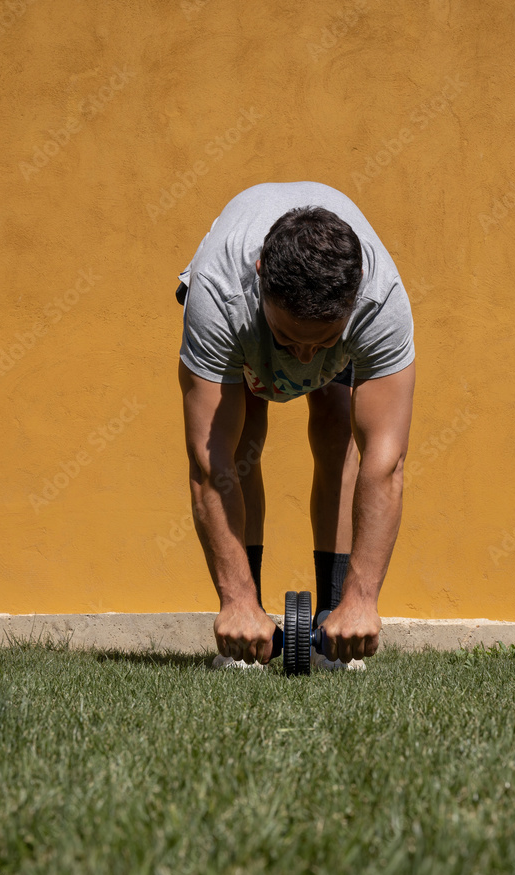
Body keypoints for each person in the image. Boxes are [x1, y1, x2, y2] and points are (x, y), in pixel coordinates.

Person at [177, 181, 415, 671]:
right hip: (244, 330)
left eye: (320, 341)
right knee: (243, 437)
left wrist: (363, 601)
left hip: (324, 325)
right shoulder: (220, 293)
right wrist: (235, 599)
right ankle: (248, 621)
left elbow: (385, 464)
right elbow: (208, 462)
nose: (305, 357)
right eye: (290, 338)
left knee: (336, 422)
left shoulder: (380, 302)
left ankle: (337, 610)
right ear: (261, 277)